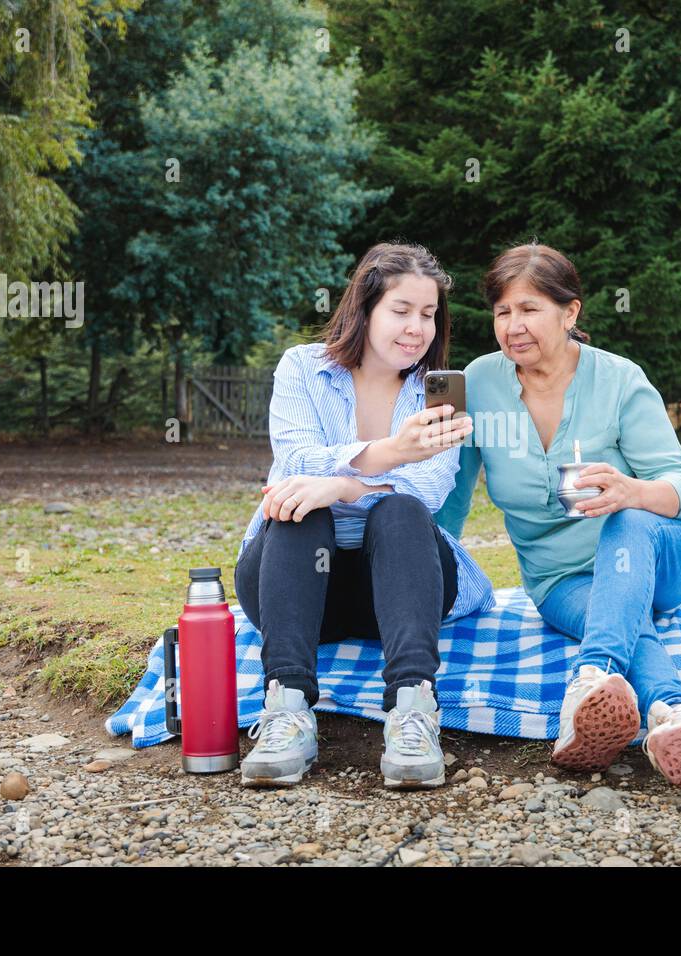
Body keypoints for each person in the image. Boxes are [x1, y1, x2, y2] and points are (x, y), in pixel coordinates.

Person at [436, 243, 681, 788]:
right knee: (621, 621)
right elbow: (453, 499)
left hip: (661, 554)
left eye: (530, 308)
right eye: (502, 311)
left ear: (571, 312)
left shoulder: (619, 379)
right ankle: (676, 713)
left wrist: (632, 490)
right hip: (561, 581)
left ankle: (591, 679)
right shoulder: (477, 383)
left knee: (626, 520)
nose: (514, 325)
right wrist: (417, 574)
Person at [234, 242, 494, 789]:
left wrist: (343, 484)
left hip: (400, 590)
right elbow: (296, 464)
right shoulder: (303, 368)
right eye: (401, 310)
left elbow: (428, 488)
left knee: (400, 511)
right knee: (299, 511)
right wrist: (385, 456)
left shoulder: (437, 393)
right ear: (366, 308)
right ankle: (286, 709)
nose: (416, 327)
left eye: (428, 314)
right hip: (301, 588)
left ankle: (413, 708)